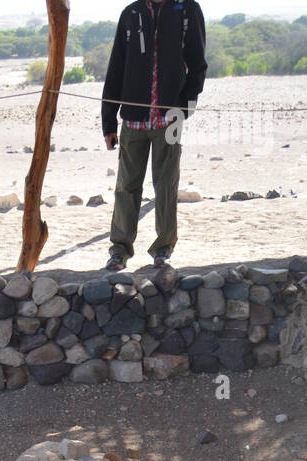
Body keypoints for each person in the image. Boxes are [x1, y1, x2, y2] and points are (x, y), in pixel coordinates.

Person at [101, 0, 207, 271]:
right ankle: (120, 251)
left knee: (166, 185)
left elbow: (198, 66)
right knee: (126, 187)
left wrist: (184, 107)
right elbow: (116, 68)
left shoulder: (187, 10)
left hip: (169, 120)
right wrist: (108, 121)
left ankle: (163, 248)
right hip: (133, 121)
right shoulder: (131, 14)